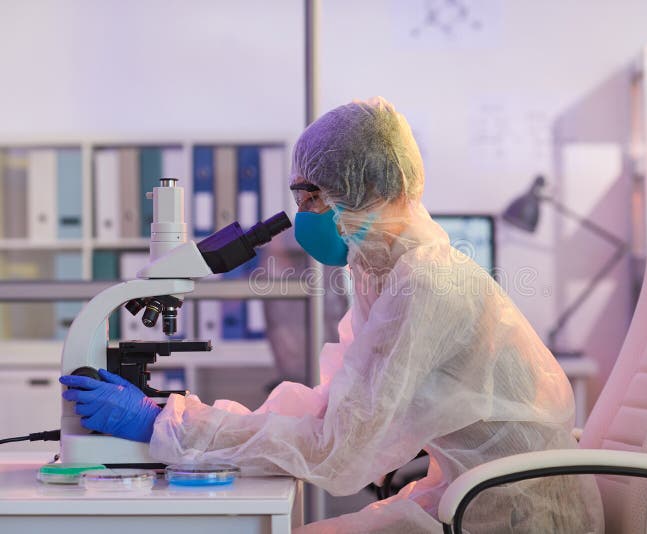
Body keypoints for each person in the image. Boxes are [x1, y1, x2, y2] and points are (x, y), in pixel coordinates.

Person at [61, 97, 603, 533]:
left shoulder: (428, 282)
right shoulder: (378, 270)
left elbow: (339, 455)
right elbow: (335, 407)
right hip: (463, 498)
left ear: (375, 189)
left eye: (316, 197)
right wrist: (186, 420)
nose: (303, 217)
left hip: (516, 518)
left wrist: (166, 424)